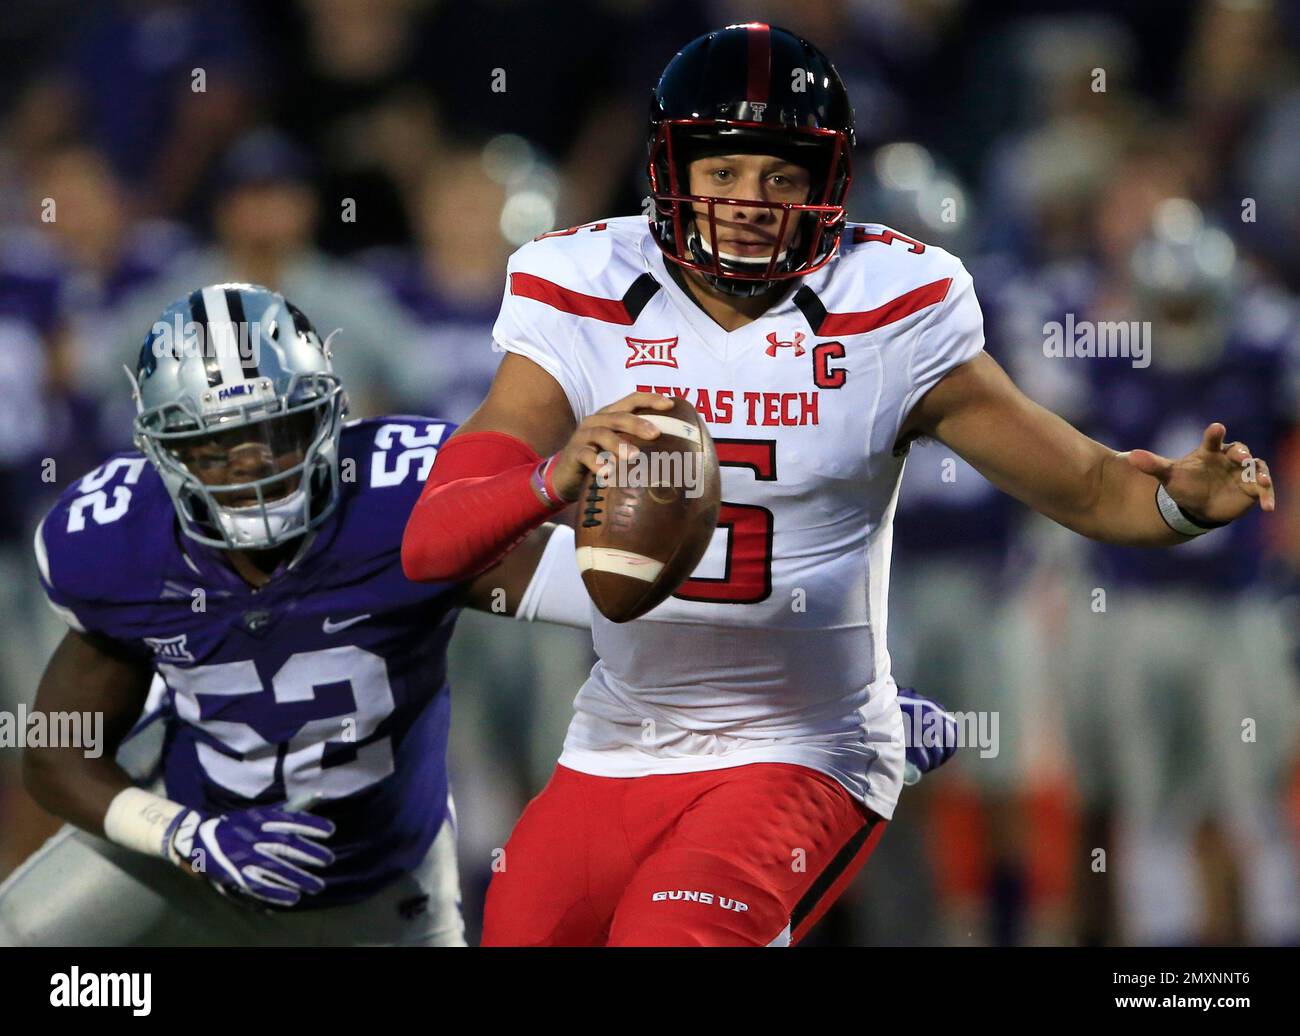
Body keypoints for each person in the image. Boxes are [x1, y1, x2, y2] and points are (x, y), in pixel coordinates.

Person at [400, 24, 1274, 947]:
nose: (750, 201)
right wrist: (550, 476)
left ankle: (878, 735)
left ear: (827, 185)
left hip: (803, 745)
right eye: (725, 171)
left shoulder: (890, 304)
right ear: (671, 170)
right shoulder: (580, 285)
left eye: (783, 176)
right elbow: (434, 542)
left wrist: (1182, 502)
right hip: (621, 739)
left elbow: (1093, 486)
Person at [0, 283, 586, 946]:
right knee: (19, 933)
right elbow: (56, 754)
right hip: (191, 855)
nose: (251, 466)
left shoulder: (403, 501)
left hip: (380, 884)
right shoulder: (120, 544)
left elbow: (597, 588)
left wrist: (659, 543)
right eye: (216, 446)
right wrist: (187, 836)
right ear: (165, 452)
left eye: (275, 433)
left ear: (329, 417)